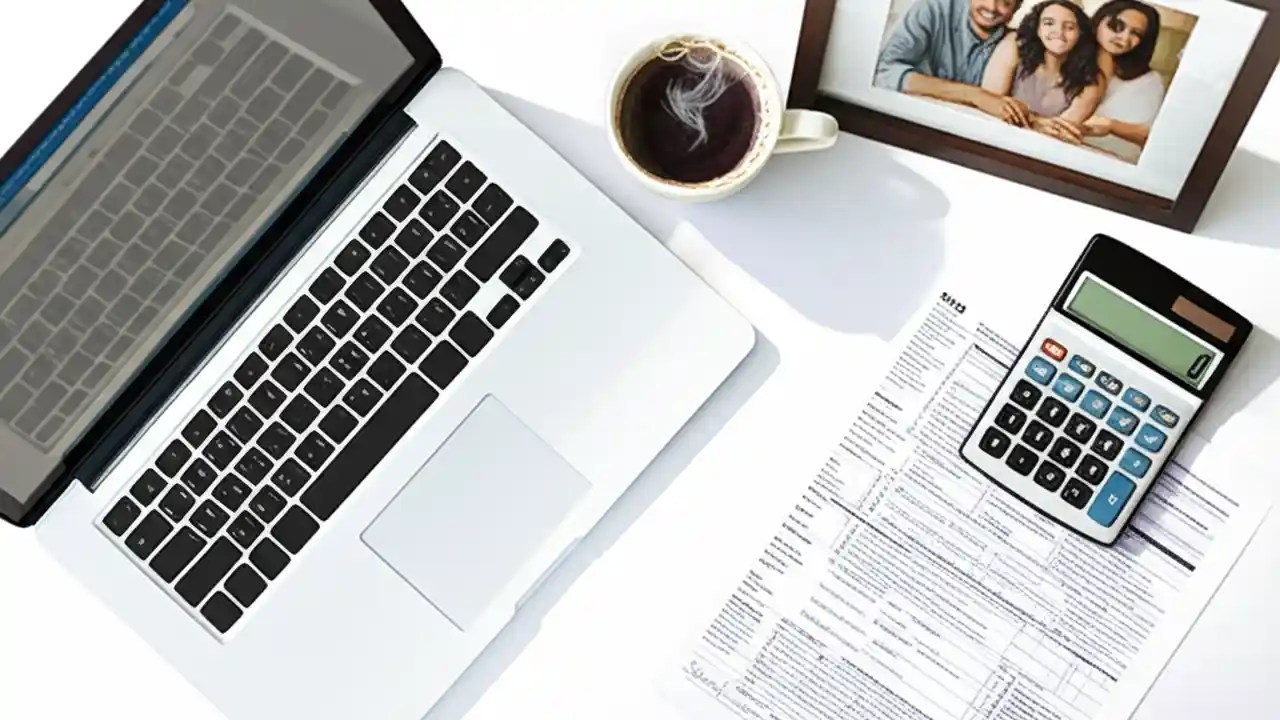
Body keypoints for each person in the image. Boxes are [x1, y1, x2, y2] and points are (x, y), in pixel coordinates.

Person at [875, 0, 1033, 125]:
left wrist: (1034, 121)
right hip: (905, 119)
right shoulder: (933, 8)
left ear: (1017, 8)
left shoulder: (1013, 45)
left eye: (1005, 1)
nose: (991, 7)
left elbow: (1006, 107)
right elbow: (884, 72)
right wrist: (973, 95)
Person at [981, 0, 1105, 141]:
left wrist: (1028, 120)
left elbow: (1061, 132)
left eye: (1069, 27)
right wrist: (1035, 122)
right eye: (1048, 23)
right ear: (1037, 29)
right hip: (994, 134)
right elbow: (989, 100)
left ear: (1080, 34)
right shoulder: (1014, 45)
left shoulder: (1092, 80)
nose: (1058, 32)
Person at [1083, 0, 1165, 162]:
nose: (1125, 37)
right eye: (1117, 25)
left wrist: (1112, 126)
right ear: (1099, 20)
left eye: (1136, 33)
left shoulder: (1149, 81)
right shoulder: (1063, 58)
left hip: (1113, 161)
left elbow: (1154, 138)